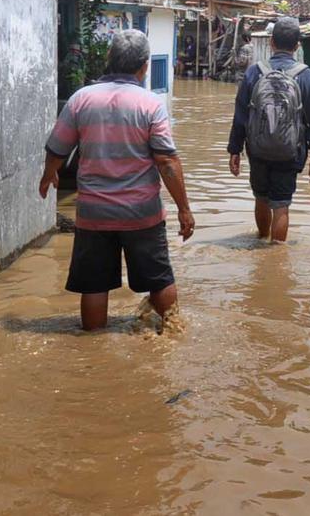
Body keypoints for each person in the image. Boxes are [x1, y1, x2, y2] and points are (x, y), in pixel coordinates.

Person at [39, 30, 195, 331]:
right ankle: (172, 339)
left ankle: (93, 352)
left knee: (95, 285)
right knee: (159, 280)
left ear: (109, 60)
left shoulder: (80, 99)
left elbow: (57, 147)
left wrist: (49, 174)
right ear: (145, 66)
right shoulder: (150, 104)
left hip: (94, 214)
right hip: (142, 214)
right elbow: (166, 161)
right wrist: (184, 208)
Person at [227, 17, 310, 243]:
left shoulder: (254, 73)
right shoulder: (307, 76)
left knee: (261, 198)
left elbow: (241, 115)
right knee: (281, 205)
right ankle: (277, 257)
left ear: (271, 42)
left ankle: (261, 242)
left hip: (257, 150)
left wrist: (234, 149)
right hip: (290, 151)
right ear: (297, 45)